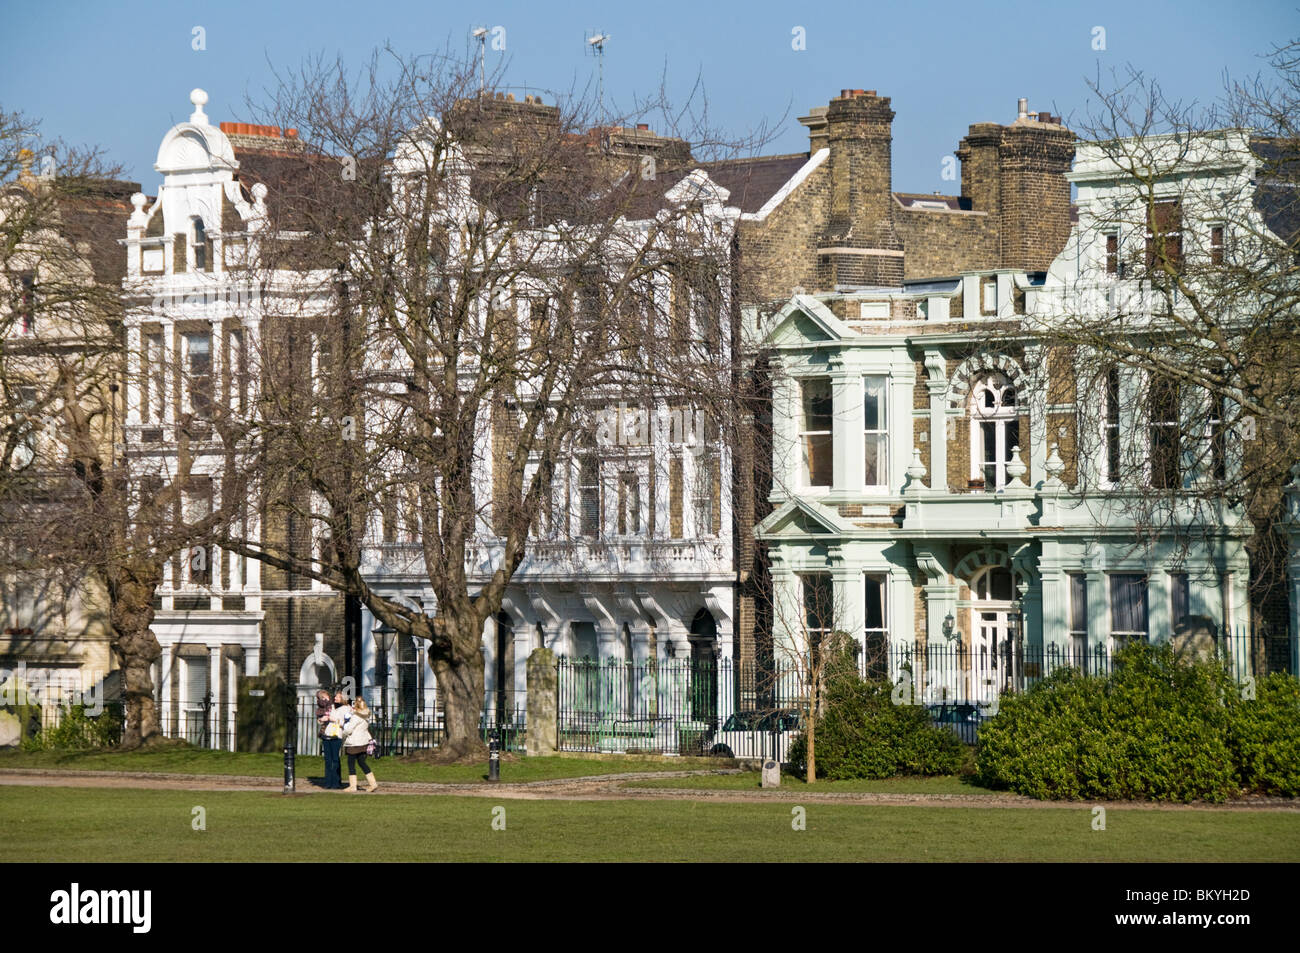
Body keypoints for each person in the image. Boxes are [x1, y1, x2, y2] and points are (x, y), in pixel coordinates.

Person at [340, 698, 377, 793]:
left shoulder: (356, 717)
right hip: (363, 742)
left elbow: (349, 729)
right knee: (362, 762)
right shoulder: (367, 716)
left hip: (354, 743)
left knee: (351, 763)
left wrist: (342, 733)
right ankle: (373, 783)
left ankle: (353, 786)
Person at [316, 689, 343, 790]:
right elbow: (319, 719)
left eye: (325, 697)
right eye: (321, 698)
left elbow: (343, 720)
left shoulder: (337, 707)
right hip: (326, 735)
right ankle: (328, 782)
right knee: (328, 760)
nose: (324, 699)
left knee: (335, 759)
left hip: (336, 734)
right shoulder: (321, 708)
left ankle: (336, 782)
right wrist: (321, 719)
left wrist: (330, 719)